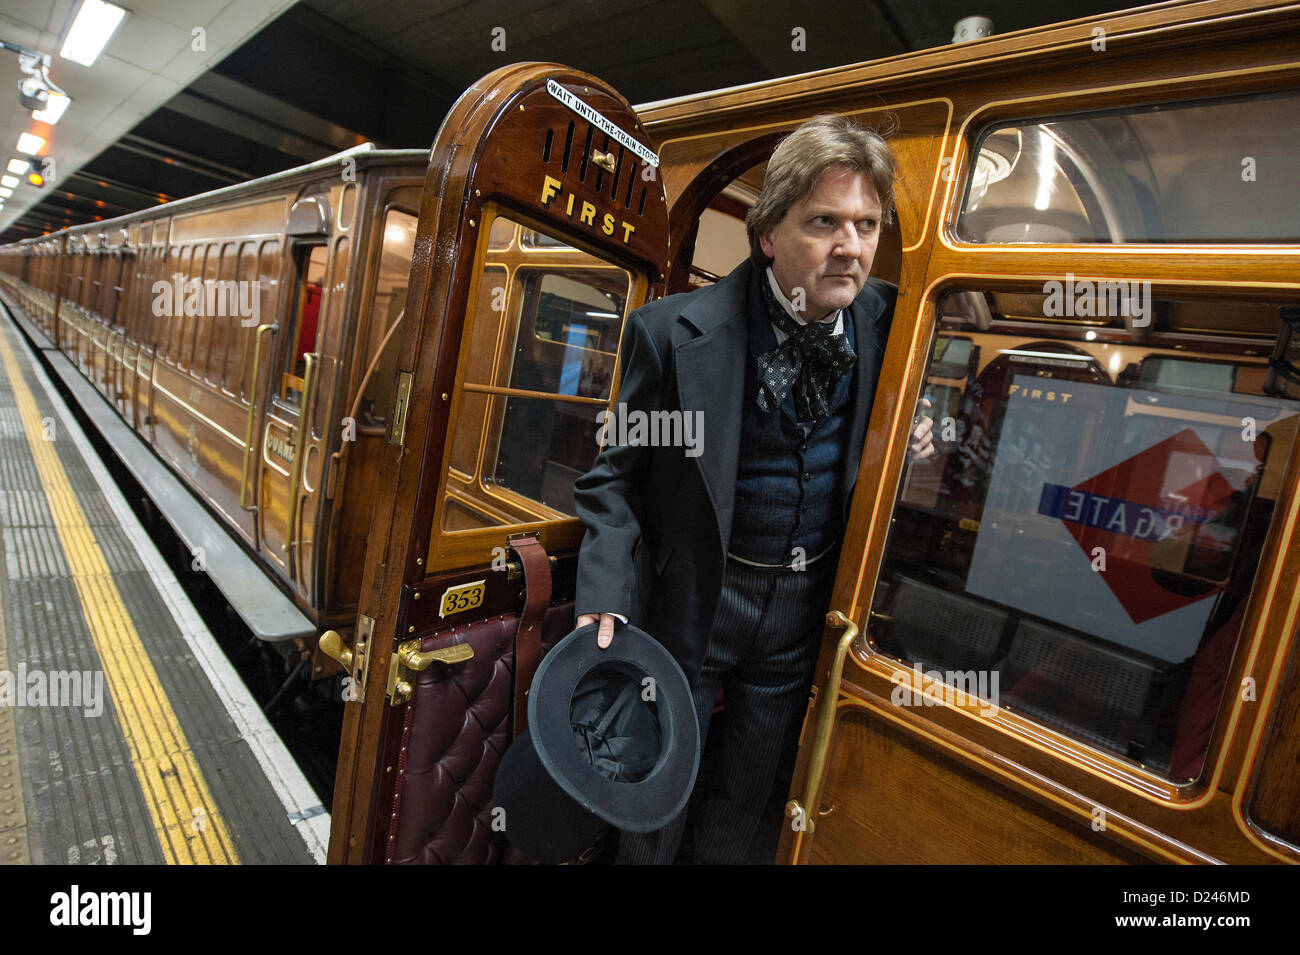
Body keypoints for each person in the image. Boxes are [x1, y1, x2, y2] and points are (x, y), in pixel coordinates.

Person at [573, 114, 933, 864]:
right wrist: (603, 589)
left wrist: (915, 436)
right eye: (825, 222)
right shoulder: (669, 334)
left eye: (867, 225)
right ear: (768, 233)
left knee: (748, 801)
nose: (852, 248)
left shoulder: (893, 321)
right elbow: (615, 475)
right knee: (656, 788)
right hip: (699, 595)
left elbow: (910, 423)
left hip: (804, 608)